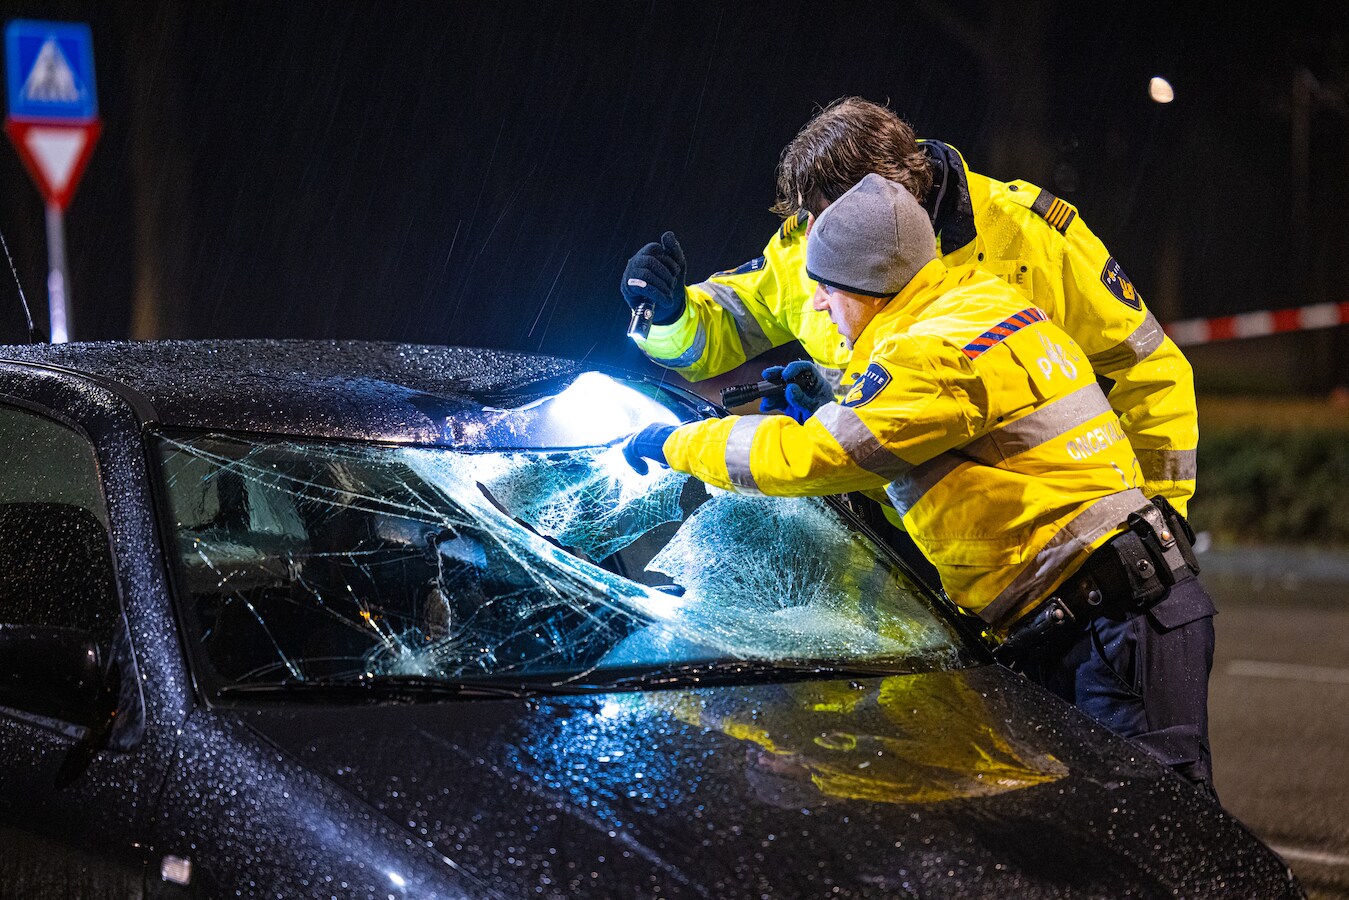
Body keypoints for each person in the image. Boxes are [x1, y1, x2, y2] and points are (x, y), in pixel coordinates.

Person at [622, 174, 1217, 795]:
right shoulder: (977, 302)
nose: (819, 307)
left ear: (871, 286)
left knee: (1161, 847)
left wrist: (675, 445)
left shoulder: (932, 354)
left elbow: (815, 456)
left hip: (1112, 626)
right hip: (1108, 614)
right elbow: (944, 420)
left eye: (825, 289)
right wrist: (831, 393)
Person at [620, 96, 1198, 522]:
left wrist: (1163, 516)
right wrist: (671, 315)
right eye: (808, 222)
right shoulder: (811, 237)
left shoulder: (1027, 234)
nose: (812, 240)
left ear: (889, 195)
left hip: (1041, 552)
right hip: (895, 547)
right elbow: (727, 325)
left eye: (826, 221)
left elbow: (1149, 369)